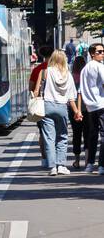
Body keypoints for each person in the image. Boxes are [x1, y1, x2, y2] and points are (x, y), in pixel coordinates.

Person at [36, 48, 82, 176]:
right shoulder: (68, 74)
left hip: (47, 106)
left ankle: (52, 167)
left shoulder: (45, 72)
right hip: (62, 107)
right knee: (62, 136)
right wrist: (77, 111)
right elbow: (71, 97)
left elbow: (36, 91)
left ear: (52, 59)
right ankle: (61, 165)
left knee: (49, 138)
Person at [79, 42, 104, 174]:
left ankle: (89, 164)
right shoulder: (100, 67)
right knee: (103, 135)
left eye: (103, 51)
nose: (102, 54)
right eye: (99, 52)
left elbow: (81, 89)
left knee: (92, 134)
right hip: (101, 103)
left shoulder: (84, 69)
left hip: (90, 106)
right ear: (92, 54)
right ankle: (101, 165)